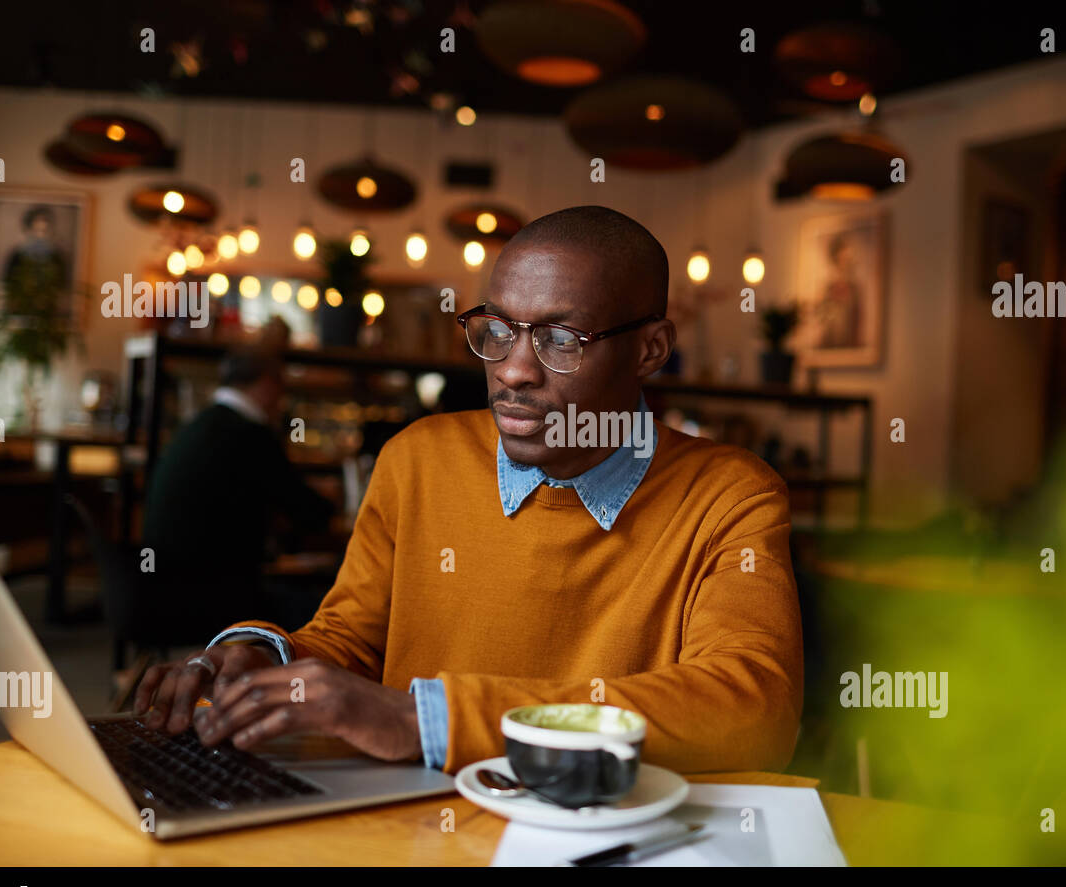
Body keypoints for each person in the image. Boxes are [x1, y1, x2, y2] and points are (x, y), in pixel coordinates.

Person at [135, 206, 803, 776]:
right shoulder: (417, 459)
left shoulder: (729, 494)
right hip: (410, 822)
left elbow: (751, 710)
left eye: (561, 339)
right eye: (500, 330)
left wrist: (430, 720)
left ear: (651, 350)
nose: (513, 371)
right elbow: (351, 639)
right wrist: (258, 660)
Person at [140, 346, 334, 638]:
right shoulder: (250, 434)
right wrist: (335, 497)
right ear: (268, 384)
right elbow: (311, 513)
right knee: (332, 617)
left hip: (161, 587)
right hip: (210, 597)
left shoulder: (198, 425)